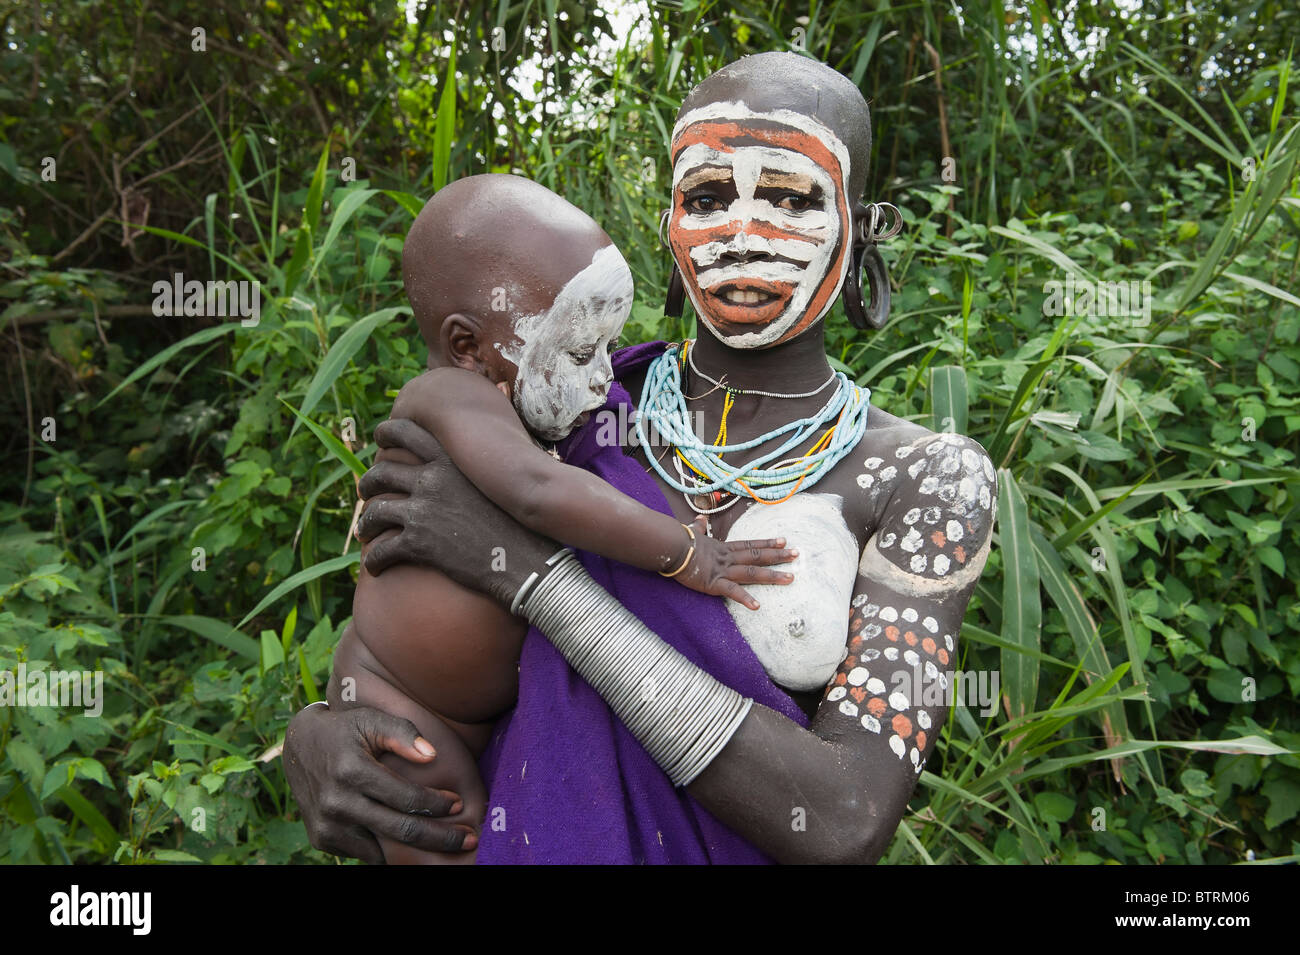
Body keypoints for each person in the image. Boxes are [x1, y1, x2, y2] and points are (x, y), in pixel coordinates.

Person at [284, 51, 996, 865]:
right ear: (669, 224)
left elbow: (841, 821)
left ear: (862, 223)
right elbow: (402, 616)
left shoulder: (925, 478)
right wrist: (318, 731)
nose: (742, 232)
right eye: (708, 195)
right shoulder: (566, 396)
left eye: (792, 197)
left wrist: (540, 583)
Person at [338, 173, 796, 863]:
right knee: (444, 834)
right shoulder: (450, 398)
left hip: (470, 716)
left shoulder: (531, 405)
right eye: (580, 354)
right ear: (467, 346)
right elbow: (535, 491)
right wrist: (684, 553)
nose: (602, 379)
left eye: (609, 349)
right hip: (405, 704)